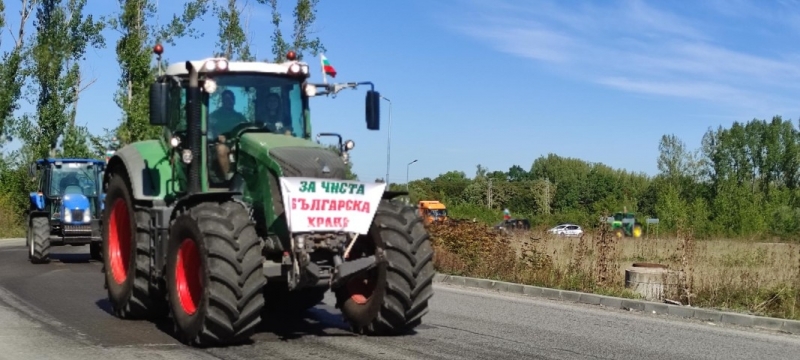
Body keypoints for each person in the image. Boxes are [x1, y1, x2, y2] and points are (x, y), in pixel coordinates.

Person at [209, 90, 248, 180]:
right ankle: (229, 179)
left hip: (237, 143)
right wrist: (217, 136)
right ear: (222, 101)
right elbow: (208, 130)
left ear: (234, 101)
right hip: (221, 144)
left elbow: (246, 129)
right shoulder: (214, 116)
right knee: (221, 149)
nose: (229, 101)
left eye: (231, 99)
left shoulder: (239, 117)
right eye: (226, 99)